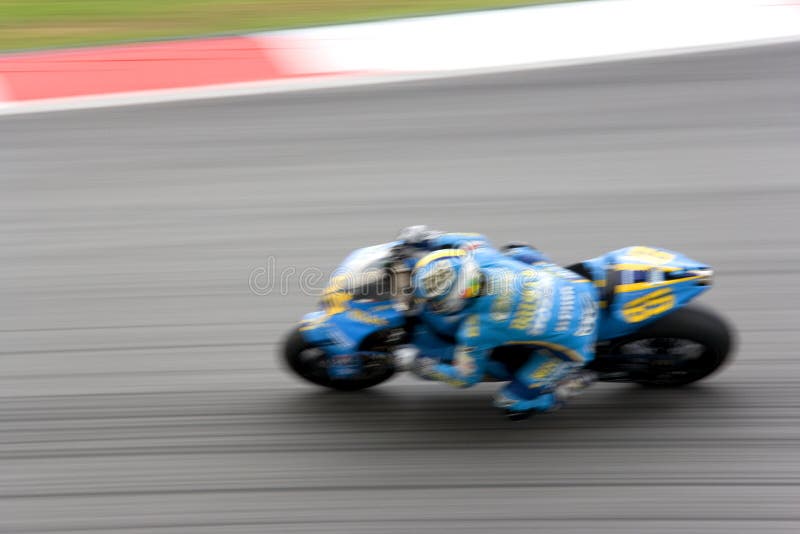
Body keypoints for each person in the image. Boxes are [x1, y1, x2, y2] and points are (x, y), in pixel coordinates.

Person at [395, 226, 598, 419]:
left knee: (511, 402)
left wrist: (419, 364)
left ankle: (567, 387)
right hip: (578, 287)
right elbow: (472, 239)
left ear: (454, 299)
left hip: (578, 340)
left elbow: (465, 378)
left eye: (436, 301)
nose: (433, 305)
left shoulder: (478, 329)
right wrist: (430, 238)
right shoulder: (482, 258)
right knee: (516, 251)